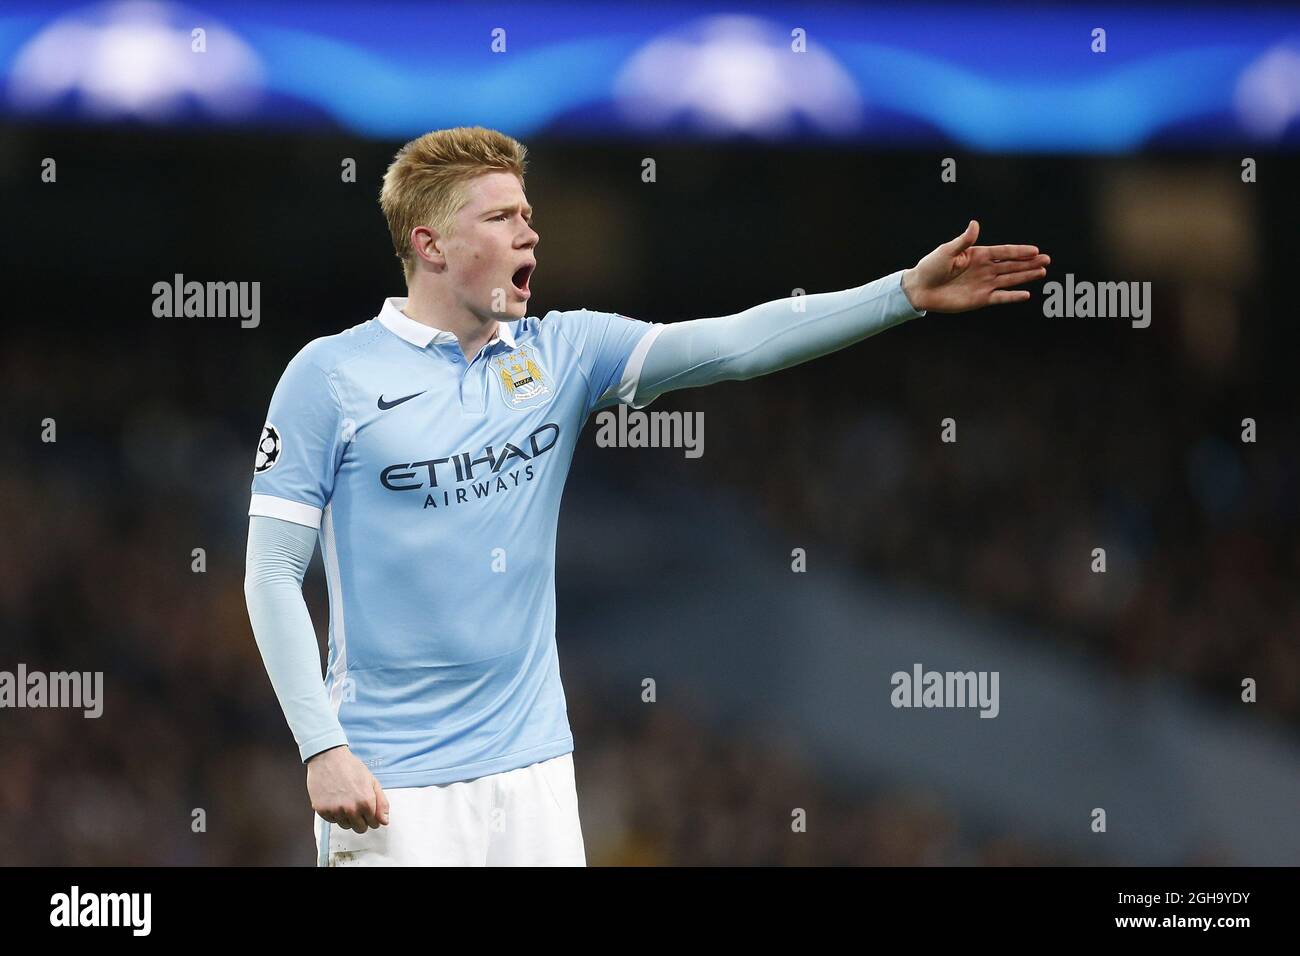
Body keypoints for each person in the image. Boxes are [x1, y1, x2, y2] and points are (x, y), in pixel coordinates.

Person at [243, 125, 1050, 866]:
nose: (530, 233)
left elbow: (733, 344)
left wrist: (900, 293)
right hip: (391, 781)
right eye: (500, 218)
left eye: (528, 213)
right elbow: (271, 573)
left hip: (534, 772)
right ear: (431, 245)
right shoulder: (331, 376)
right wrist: (322, 746)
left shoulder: (562, 353)